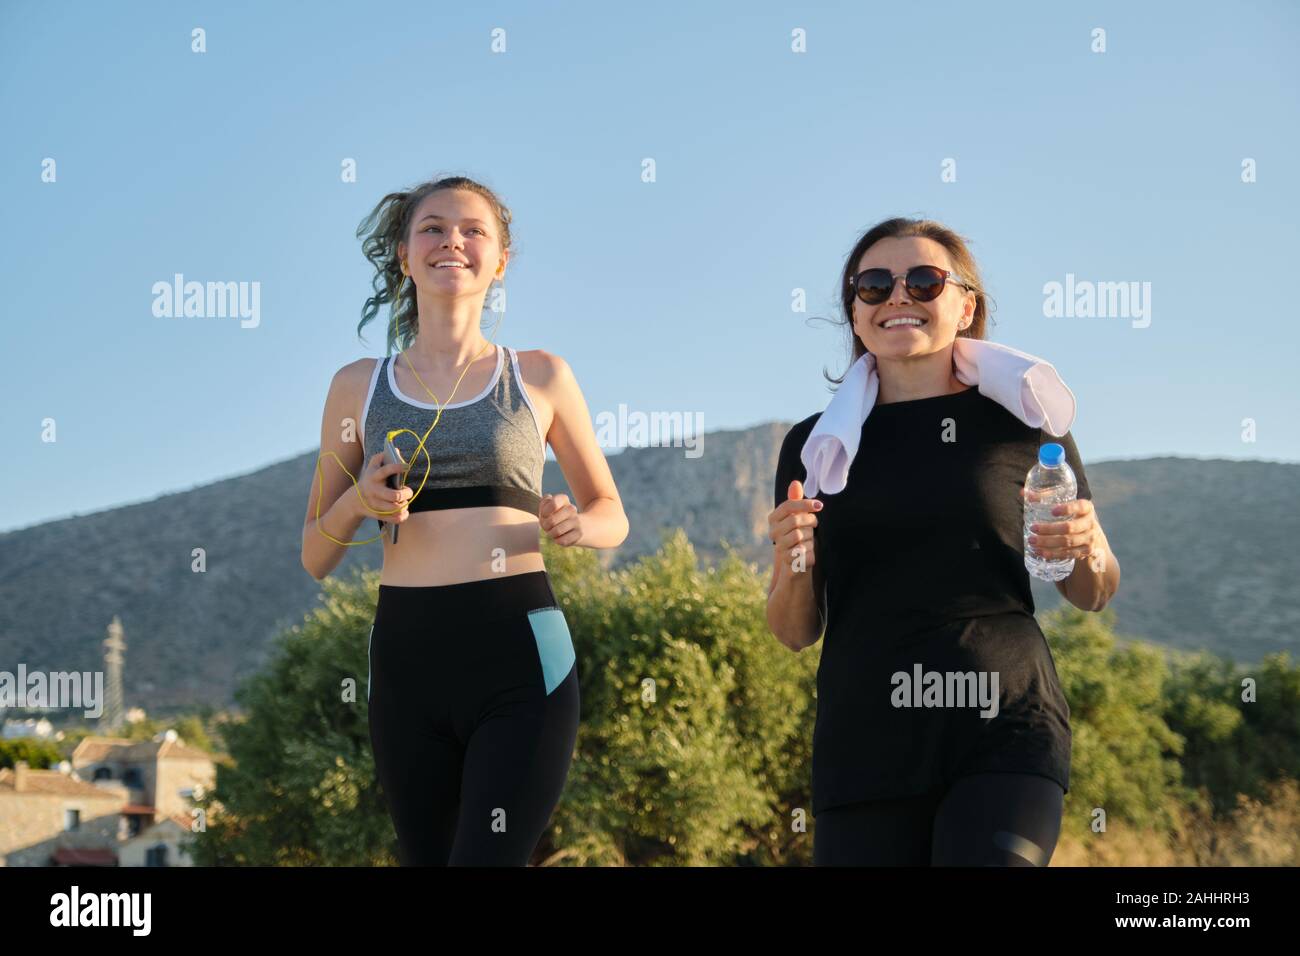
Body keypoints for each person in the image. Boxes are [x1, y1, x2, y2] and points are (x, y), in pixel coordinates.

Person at [766, 217, 1121, 866]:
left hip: (1005, 724)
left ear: (966, 306)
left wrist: (1090, 543)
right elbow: (793, 631)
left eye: (924, 281)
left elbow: (1090, 592)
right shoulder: (815, 446)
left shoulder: (1025, 425)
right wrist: (794, 557)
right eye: (874, 284)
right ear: (854, 309)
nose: (897, 296)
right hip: (864, 740)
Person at [301, 175, 628, 865]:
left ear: (500, 260)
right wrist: (359, 500)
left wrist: (579, 524)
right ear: (402, 253)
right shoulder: (356, 386)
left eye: (473, 229)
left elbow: (612, 514)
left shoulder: (541, 375)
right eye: (433, 227)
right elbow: (315, 553)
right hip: (406, 662)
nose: (453, 239)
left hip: (521, 655)